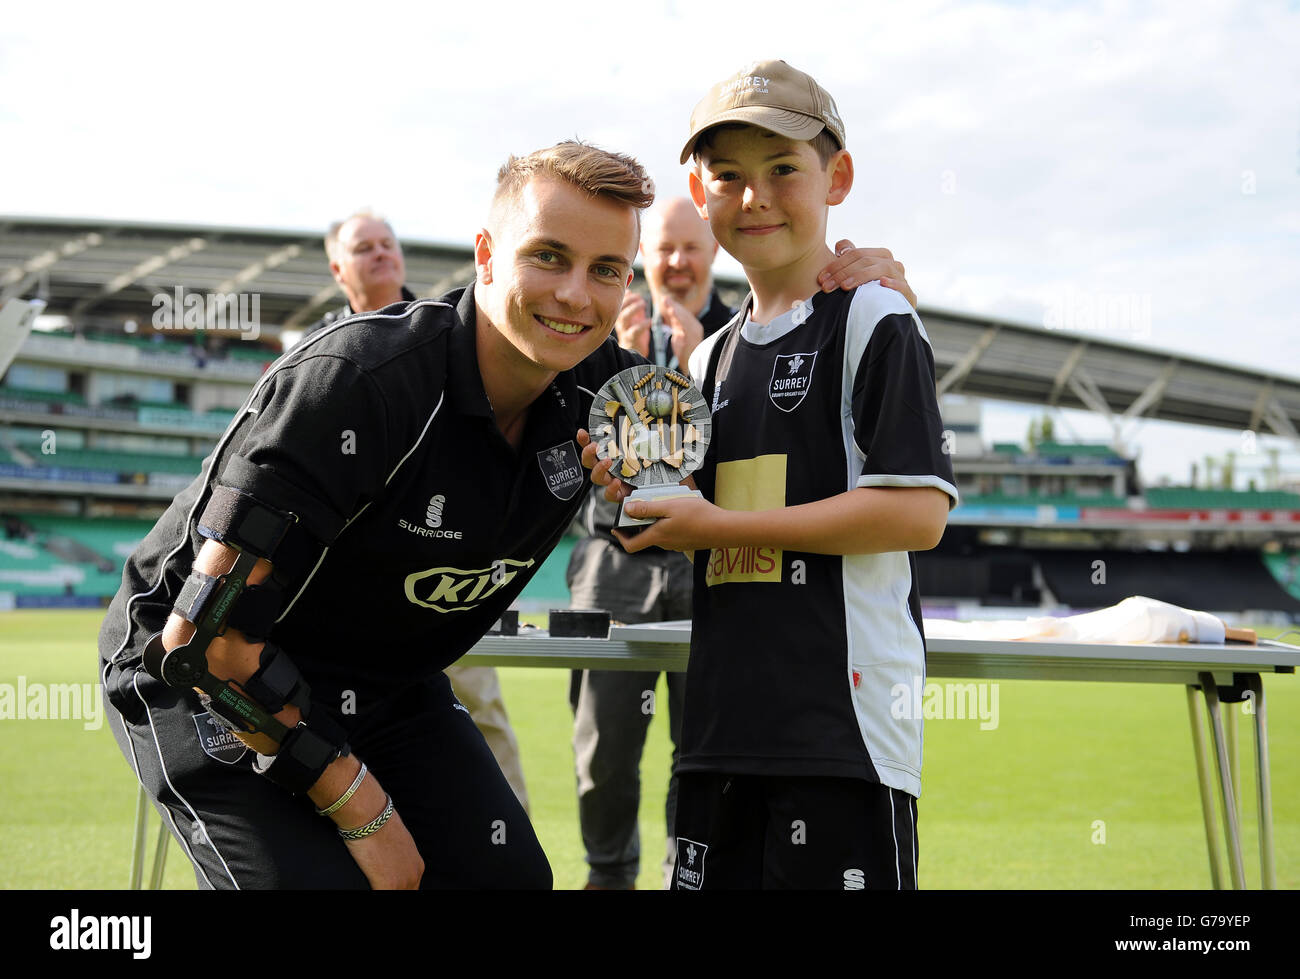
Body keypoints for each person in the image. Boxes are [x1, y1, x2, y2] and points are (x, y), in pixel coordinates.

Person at [98, 140, 656, 889]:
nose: (576, 296)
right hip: (201, 672)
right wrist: (365, 809)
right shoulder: (356, 382)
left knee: (510, 880)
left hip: (385, 680)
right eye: (549, 257)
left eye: (607, 270)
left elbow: (742, 438)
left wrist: (846, 286)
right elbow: (204, 642)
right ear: (487, 254)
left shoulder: (610, 395)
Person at [584, 60, 958, 889]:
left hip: (841, 741)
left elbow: (916, 515)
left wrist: (719, 527)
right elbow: (707, 533)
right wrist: (639, 506)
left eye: (783, 169)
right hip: (718, 739)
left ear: (839, 177)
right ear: (700, 188)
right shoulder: (709, 359)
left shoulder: (875, 317)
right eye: (729, 177)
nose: (754, 198)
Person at [307, 210, 532, 813]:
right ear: (337, 268)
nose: (381, 254)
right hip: (338, 580)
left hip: (444, 564)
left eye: (388, 244)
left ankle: (507, 850)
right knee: (338, 721)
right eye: (364, 248)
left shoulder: (450, 333)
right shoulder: (309, 351)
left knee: (479, 707)